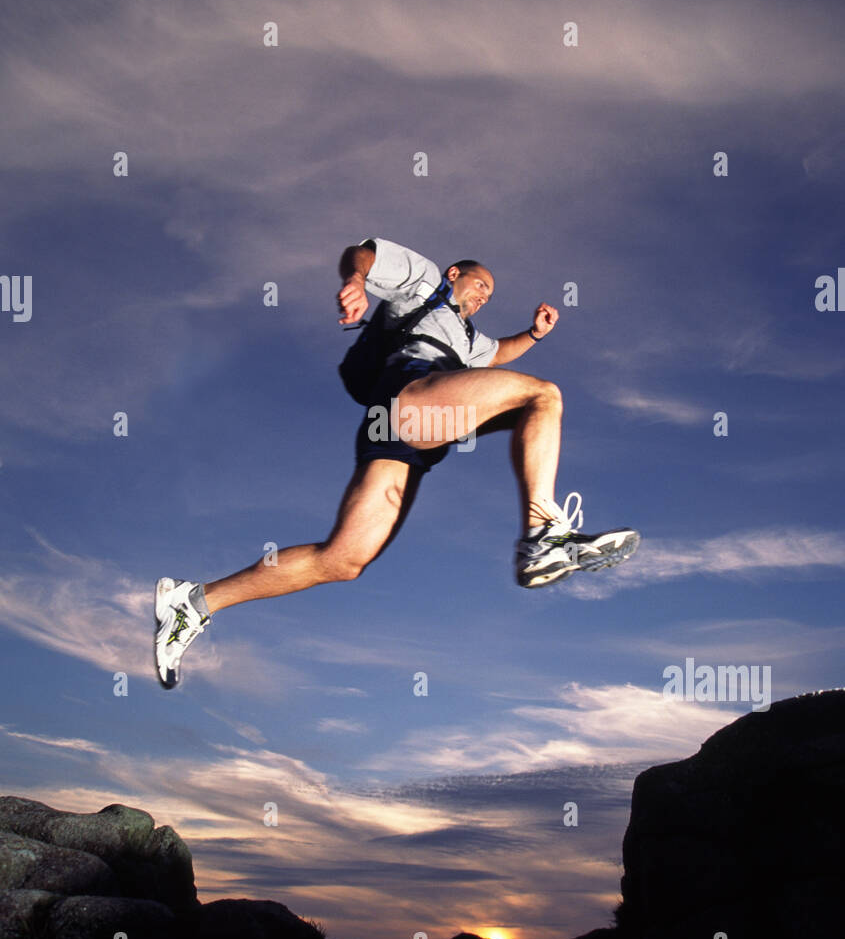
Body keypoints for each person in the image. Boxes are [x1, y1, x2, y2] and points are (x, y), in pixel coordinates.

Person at [154, 236, 640, 688]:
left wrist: (532, 335)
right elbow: (362, 251)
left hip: (407, 434)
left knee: (343, 560)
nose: (484, 296)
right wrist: (357, 281)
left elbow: (494, 356)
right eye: (479, 285)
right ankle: (542, 535)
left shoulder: (469, 340)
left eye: (490, 295)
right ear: (455, 273)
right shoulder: (425, 280)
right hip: (409, 394)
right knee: (543, 395)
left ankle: (194, 601)